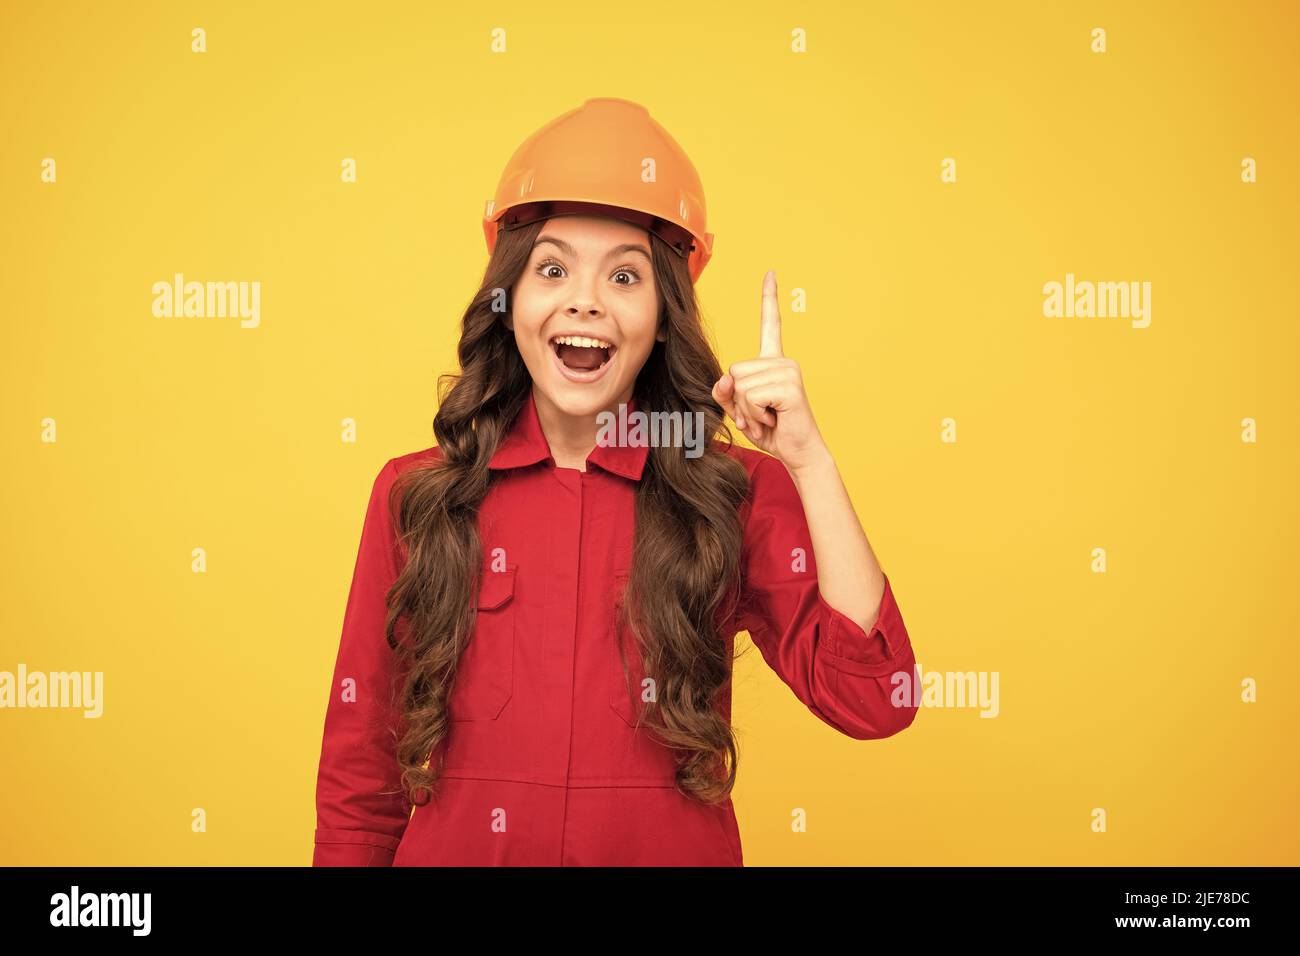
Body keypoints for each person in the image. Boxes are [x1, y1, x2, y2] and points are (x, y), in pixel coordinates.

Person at [312, 98, 918, 866]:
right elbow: (360, 778)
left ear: (665, 315)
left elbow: (875, 699)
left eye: (625, 276)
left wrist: (810, 461)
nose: (586, 300)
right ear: (509, 303)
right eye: (553, 268)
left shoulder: (731, 492)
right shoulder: (417, 495)